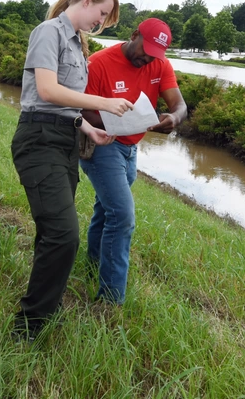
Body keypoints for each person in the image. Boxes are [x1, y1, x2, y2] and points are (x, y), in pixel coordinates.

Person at [10, 0, 133, 341]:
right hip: (38, 140)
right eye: (101, 13)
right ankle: (29, 326)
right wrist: (104, 104)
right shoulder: (48, 32)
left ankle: (44, 307)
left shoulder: (78, 44)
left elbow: (63, 106)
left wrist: (86, 127)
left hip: (65, 140)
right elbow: (46, 91)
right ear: (87, 0)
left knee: (53, 232)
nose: (100, 21)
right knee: (64, 235)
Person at [80, 17, 188, 304]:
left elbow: (179, 105)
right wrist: (118, 118)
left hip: (130, 148)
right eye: (146, 49)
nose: (148, 57)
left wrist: (173, 118)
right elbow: (81, 109)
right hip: (102, 144)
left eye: (155, 54)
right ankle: (111, 301)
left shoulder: (160, 65)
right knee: (123, 216)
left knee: (106, 212)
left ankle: (91, 266)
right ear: (134, 35)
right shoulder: (100, 63)